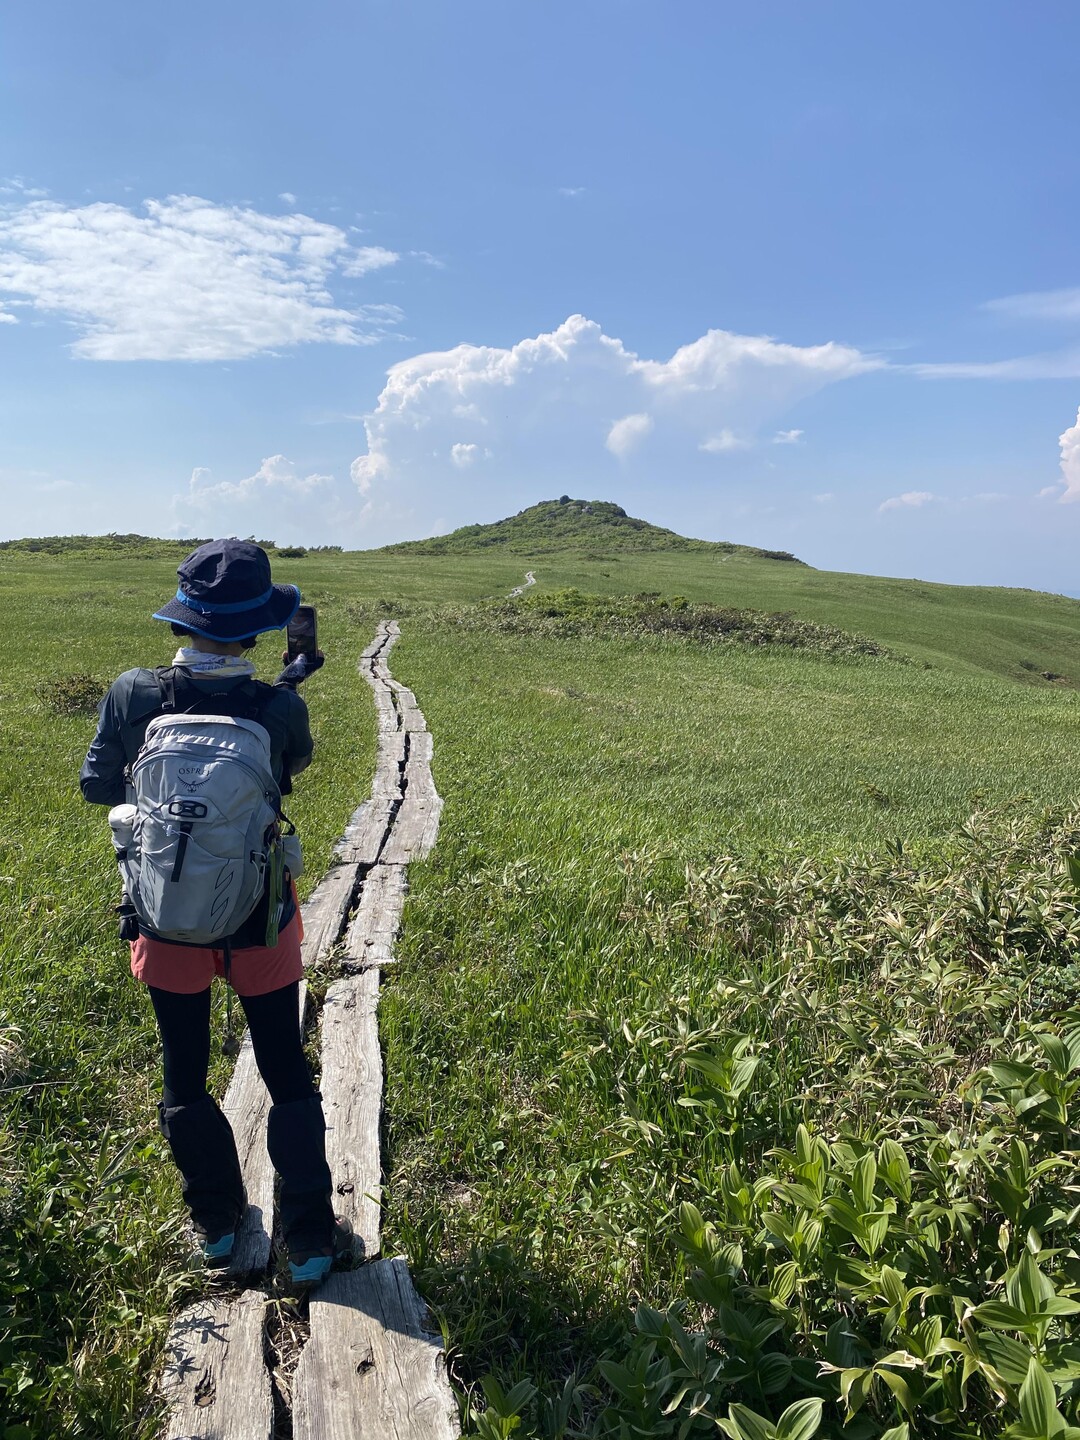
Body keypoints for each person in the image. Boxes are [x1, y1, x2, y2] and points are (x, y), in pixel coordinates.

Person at [80, 539, 348, 1287]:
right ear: (257, 630)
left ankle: (218, 1226)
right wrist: (285, 688)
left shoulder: (134, 693)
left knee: (183, 1072)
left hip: (165, 914)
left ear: (181, 619)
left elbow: (97, 787)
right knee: (285, 1070)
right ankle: (312, 1234)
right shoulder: (279, 704)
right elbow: (285, 771)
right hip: (257, 915)